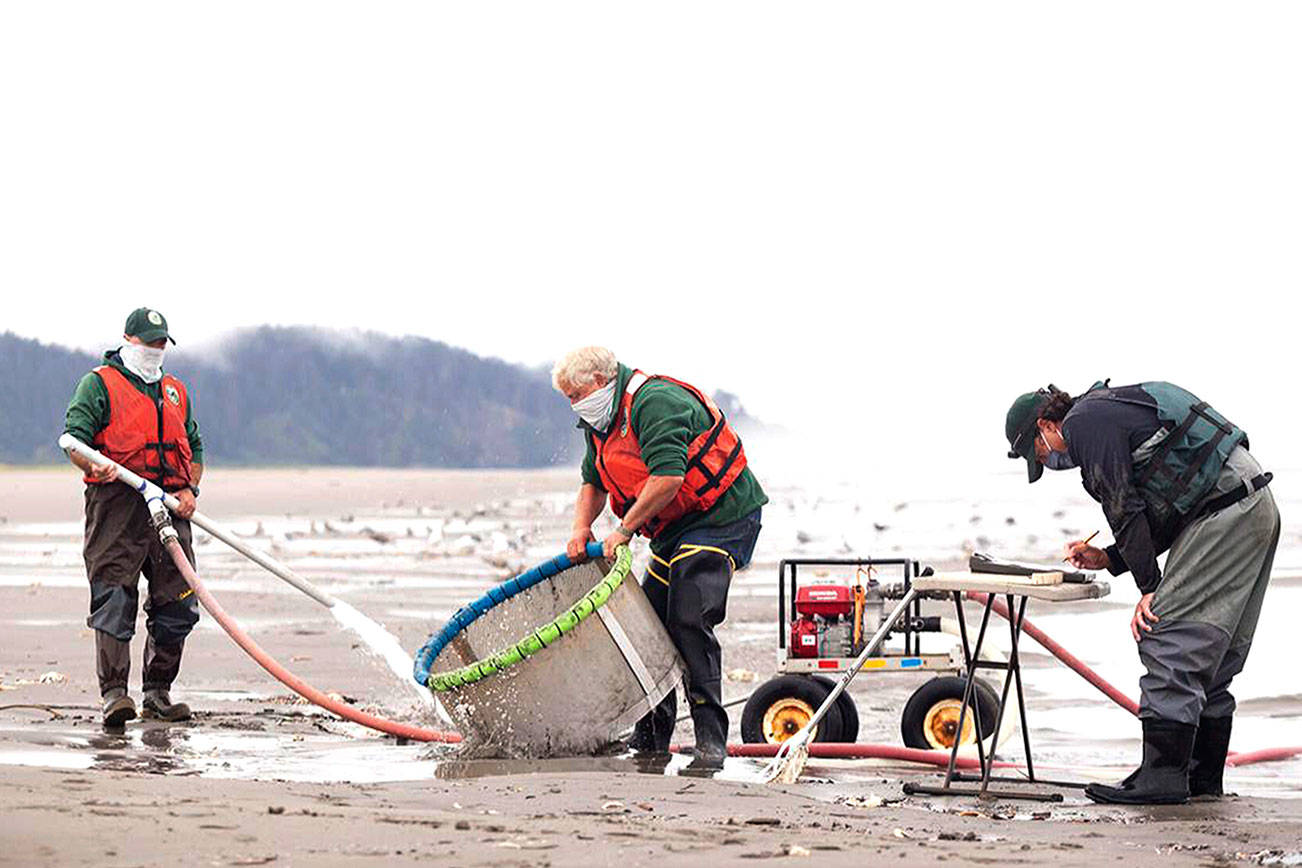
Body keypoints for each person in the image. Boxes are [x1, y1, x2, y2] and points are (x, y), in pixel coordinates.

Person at [1005, 381, 1278, 804]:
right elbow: (1172, 500)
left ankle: (1162, 778)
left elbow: (1122, 505)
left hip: (1225, 512)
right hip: (1252, 504)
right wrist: (1111, 559)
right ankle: (1200, 780)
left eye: (1040, 453)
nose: (1051, 461)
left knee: (1165, 632)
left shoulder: (1083, 425)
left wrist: (1150, 589)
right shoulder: (1112, 408)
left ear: (1046, 426)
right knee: (1214, 657)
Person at [552, 347, 767, 768]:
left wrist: (623, 531)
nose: (574, 405)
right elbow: (593, 480)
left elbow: (668, 478)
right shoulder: (599, 422)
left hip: (722, 519)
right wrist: (581, 528)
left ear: (600, 382)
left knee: (688, 617)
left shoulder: (655, 403)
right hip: (674, 530)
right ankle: (651, 736)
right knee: (646, 623)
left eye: (576, 394)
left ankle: (711, 741)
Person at [63, 308, 204, 727]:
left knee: (178, 602)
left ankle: (158, 693)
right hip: (117, 505)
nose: (156, 351)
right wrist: (93, 464)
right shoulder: (98, 385)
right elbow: (73, 439)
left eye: (162, 343)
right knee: (114, 599)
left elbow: (194, 448)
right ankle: (115, 696)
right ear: (129, 340)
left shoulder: (175, 390)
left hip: (170, 509)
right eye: (149, 343)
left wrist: (188, 488)